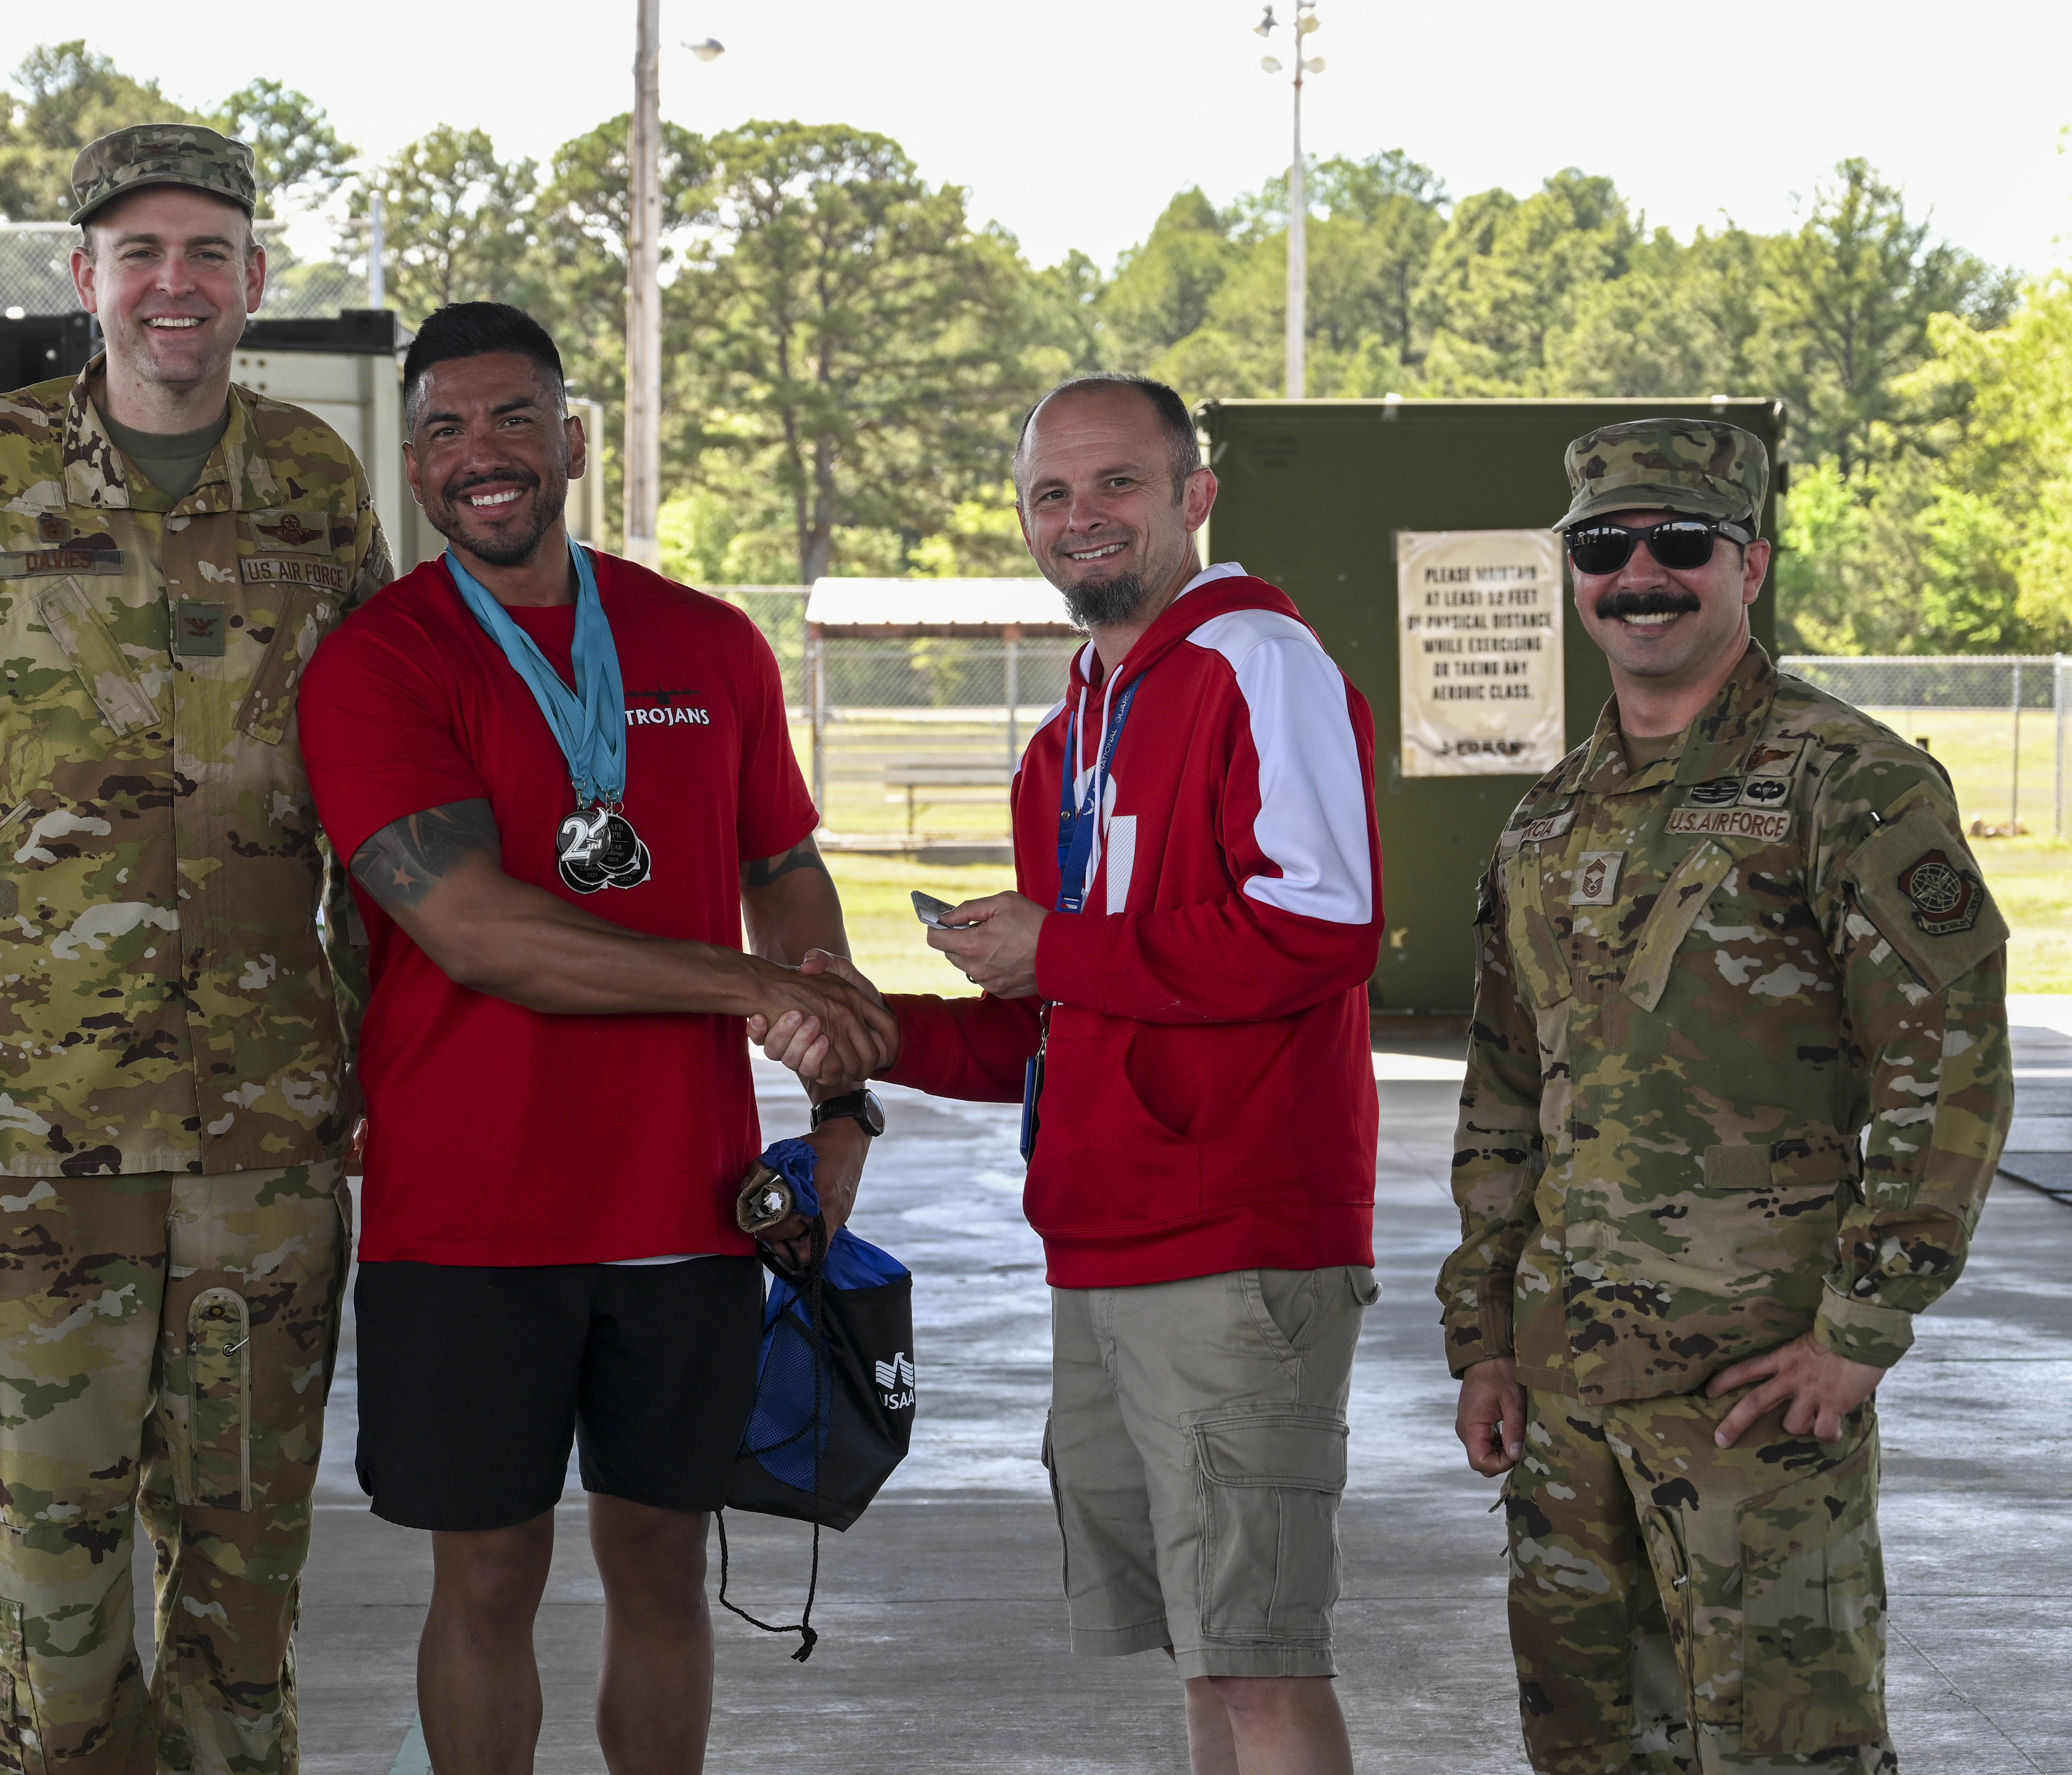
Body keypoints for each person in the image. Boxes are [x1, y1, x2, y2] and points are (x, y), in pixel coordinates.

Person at [0, 123, 392, 1774]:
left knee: (246, 1573)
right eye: (140, 252)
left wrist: (397, 1049)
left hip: (264, 1137)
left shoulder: (316, 487)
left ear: (254, 282)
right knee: (46, 1574)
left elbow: (390, 782)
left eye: (206, 252)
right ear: (87, 280)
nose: (173, 283)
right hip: (23, 1127)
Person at [294, 301, 893, 1775]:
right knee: (488, 1578)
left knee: (661, 1564)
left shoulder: (704, 640)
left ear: (569, 440)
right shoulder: (379, 661)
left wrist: (832, 1071)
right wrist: (751, 994)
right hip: (468, 1207)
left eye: (510, 421)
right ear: (414, 466)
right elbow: (480, 932)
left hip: (683, 1205)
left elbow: (779, 870)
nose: (480, 455)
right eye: (443, 430)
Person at [758, 372, 1384, 1775]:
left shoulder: (1254, 663)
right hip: (1105, 1241)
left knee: (1259, 1662)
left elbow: (1324, 926)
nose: (1081, 517)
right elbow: (1068, 1017)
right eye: (1052, 494)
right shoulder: (1071, 736)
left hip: (1234, 1236)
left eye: (1117, 485)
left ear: (1194, 498)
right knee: (1209, 1661)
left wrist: (1067, 949)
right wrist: (883, 1027)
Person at [1439, 418, 2014, 1773]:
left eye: (1679, 543)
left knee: (1784, 1748)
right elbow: (1506, 1097)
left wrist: (1865, 1326)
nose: (1641, 574)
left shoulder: (1851, 784)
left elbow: (1947, 1060)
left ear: (1748, 564)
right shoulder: (1549, 817)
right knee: (1588, 1748)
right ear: (1575, 573)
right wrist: (1483, 1336)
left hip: (1756, 1400)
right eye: (1604, 546)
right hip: (1564, 1405)